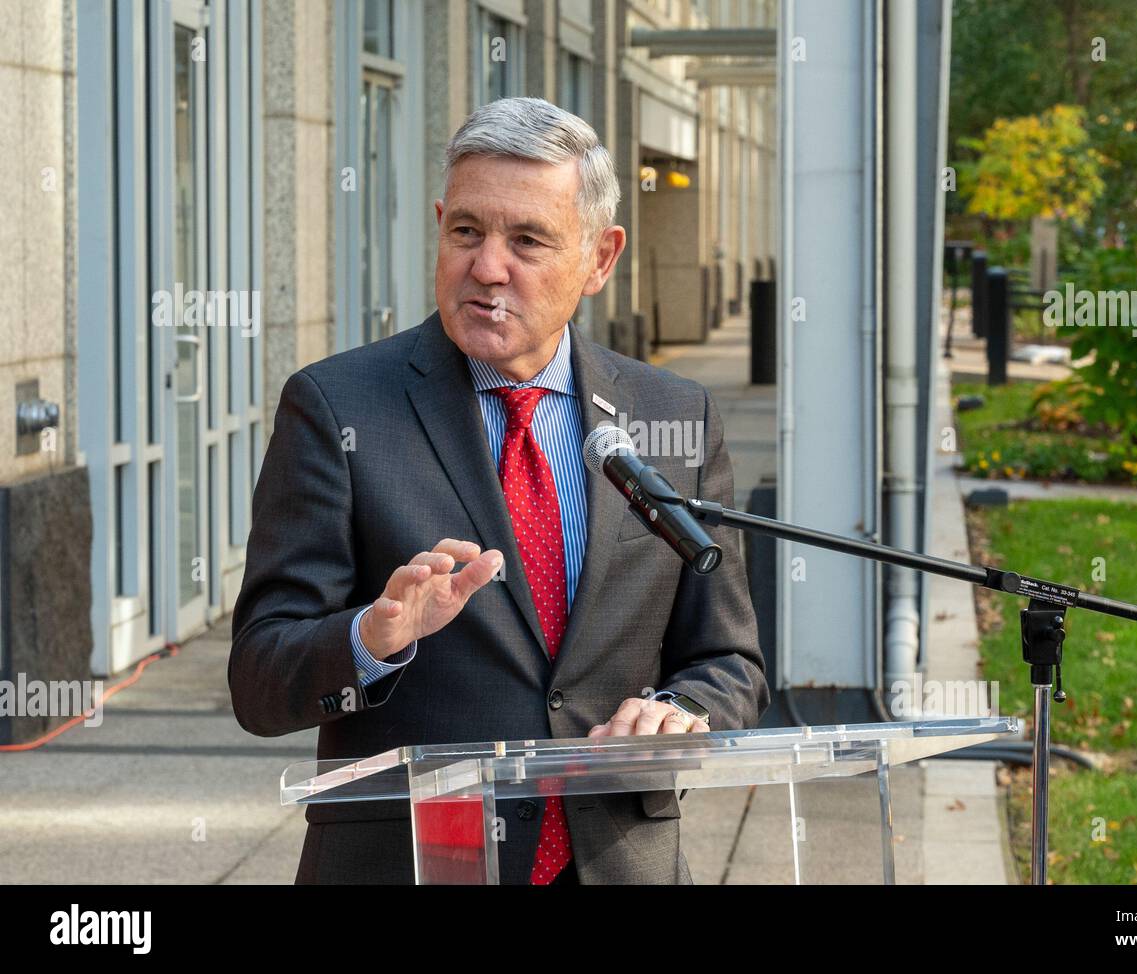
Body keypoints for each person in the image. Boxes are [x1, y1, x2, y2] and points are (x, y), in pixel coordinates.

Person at [228, 96, 769, 884]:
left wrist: (681, 714)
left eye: (528, 240)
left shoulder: (671, 417)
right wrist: (369, 640)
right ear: (440, 226)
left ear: (600, 258)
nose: (488, 266)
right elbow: (258, 679)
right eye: (467, 232)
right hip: (413, 861)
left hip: (617, 862)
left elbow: (730, 660)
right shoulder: (338, 408)